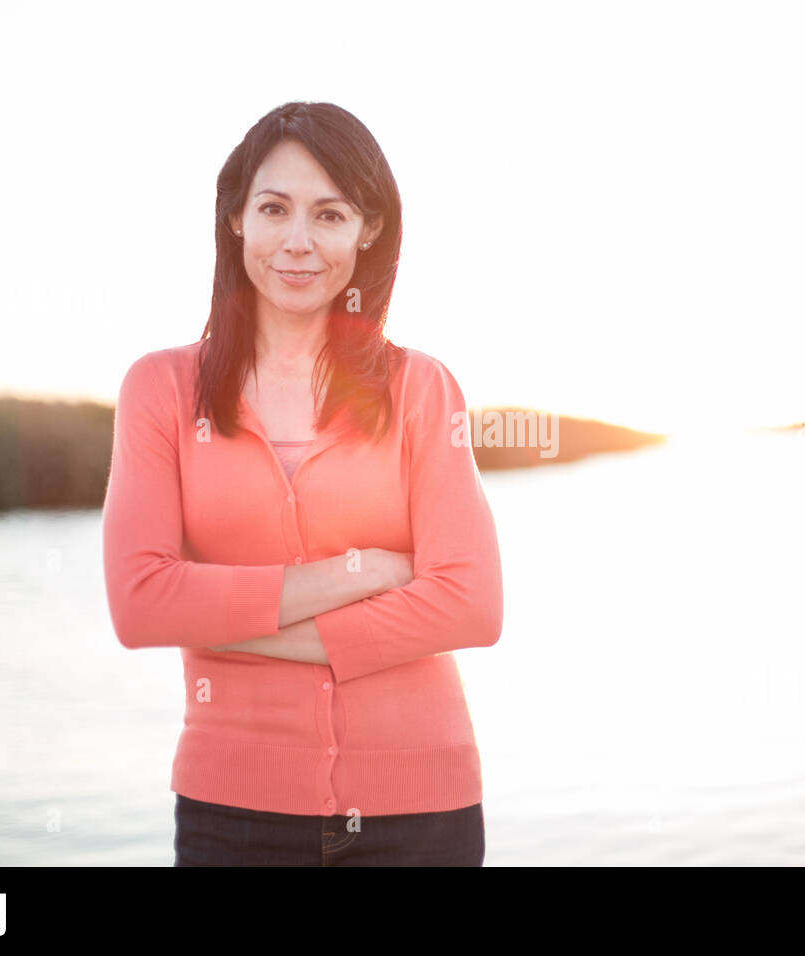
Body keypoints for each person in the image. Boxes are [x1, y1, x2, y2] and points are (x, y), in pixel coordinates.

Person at [101, 101, 504, 866]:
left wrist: (228, 623)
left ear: (369, 229)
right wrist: (362, 576)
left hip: (423, 812)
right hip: (233, 811)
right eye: (274, 208)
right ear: (235, 220)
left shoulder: (422, 389)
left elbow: (474, 604)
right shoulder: (158, 389)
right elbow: (140, 603)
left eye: (329, 214)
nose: (297, 242)